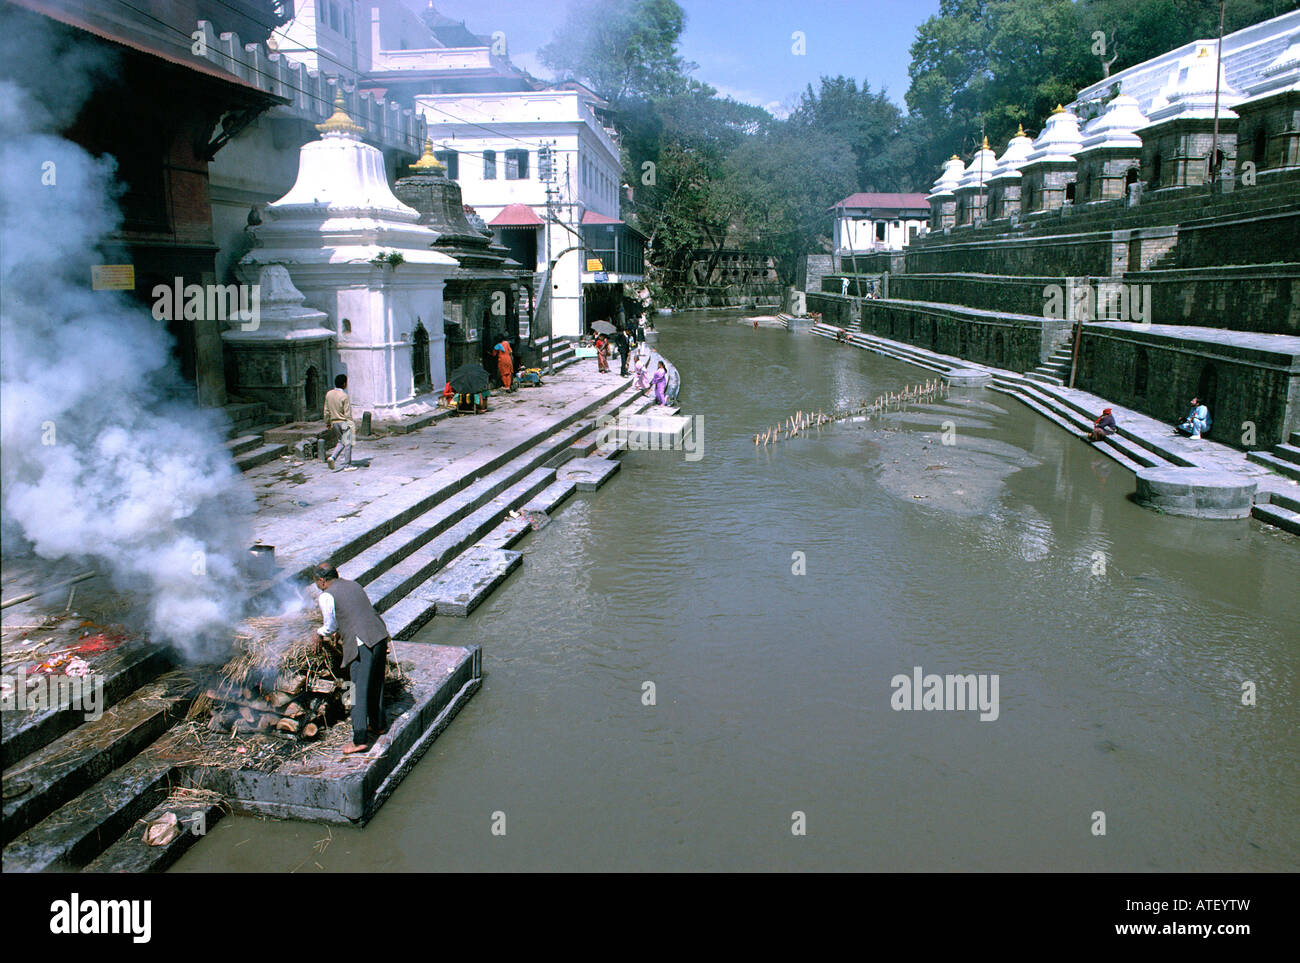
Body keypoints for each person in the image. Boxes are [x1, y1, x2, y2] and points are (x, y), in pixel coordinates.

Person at [313, 563, 390, 755]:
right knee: (375, 683)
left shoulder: (326, 595)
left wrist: (318, 633)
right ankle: (378, 724)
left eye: (316, 581)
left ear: (322, 580)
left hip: (362, 644)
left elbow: (329, 626)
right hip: (379, 636)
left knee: (355, 690)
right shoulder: (354, 585)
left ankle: (359, 740)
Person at [323, 374, 357, 472]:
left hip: (334, 422)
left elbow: (326, 411)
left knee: (341, 441)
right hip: (344, 422)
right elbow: (347, 413)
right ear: (344, 383)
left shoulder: (329, 394)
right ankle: (347, 465)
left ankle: (332, 457)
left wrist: (327, 422)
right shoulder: (344, 396)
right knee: (348, 443)